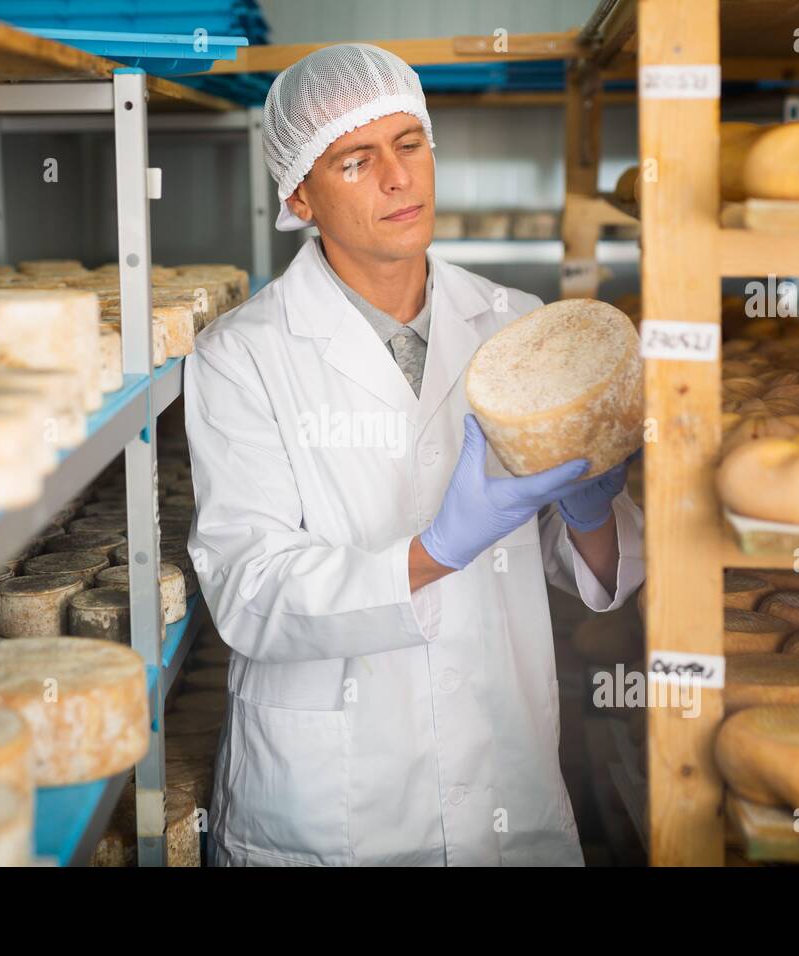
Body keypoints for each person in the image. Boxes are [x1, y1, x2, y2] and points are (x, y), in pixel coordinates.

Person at [182, 43, 644, 866]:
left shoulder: (515, 324)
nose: (399, 179)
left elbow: (594, 575)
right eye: (356, 161)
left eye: (410, 143)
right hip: (332, 806)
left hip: (505, 776)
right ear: (299, 196)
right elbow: (249, 592)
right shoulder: (240, 356)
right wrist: (435, 553)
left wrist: (591, 512)